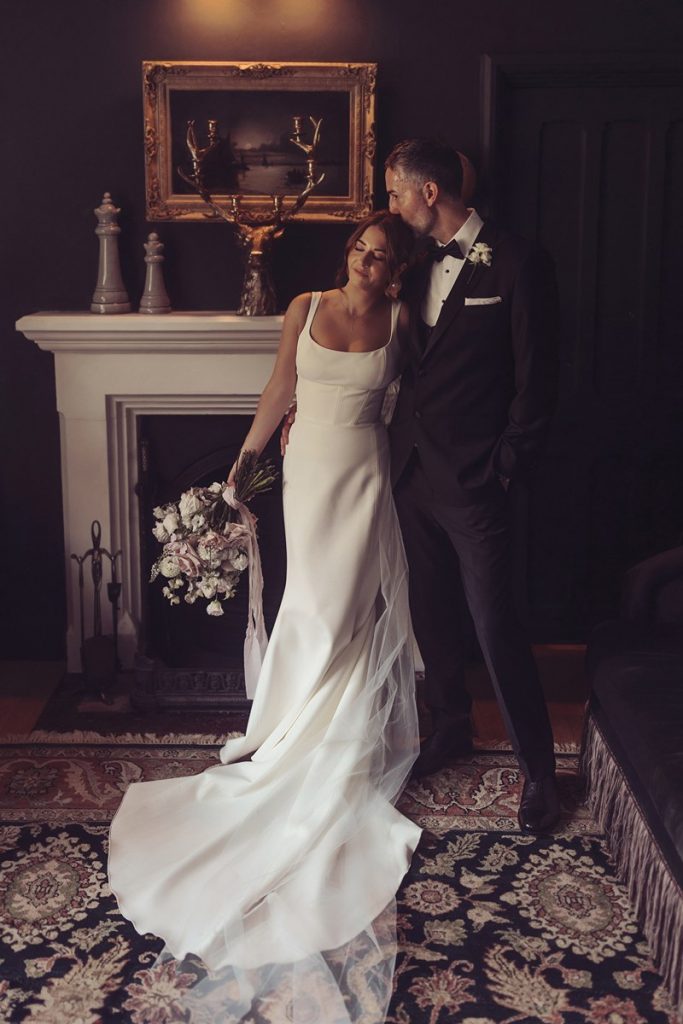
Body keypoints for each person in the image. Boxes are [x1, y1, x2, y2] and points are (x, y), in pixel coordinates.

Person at [108, 211, 421, 1024]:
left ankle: (331, 736)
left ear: (394, 273)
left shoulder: (401, 321)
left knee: (345, 610)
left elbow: (413, 407)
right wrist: (244, 466)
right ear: (348, 254)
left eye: (381, 257)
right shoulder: (306, 306)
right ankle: (285, 730)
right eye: (359, 248)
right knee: (306, 604)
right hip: (308, 467)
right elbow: (280, 387)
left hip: (366, 478)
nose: (365, 262)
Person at [383, 137, 561, 833]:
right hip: (412, 475)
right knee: (431, 615)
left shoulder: (517, 259)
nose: (391, 205)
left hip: (477, 480)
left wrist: (505, 466)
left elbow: (536, 377)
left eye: (396, 191)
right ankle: (450, 727)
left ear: (429, 192)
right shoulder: (414, 261)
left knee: (494, 623)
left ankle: (539, 771)